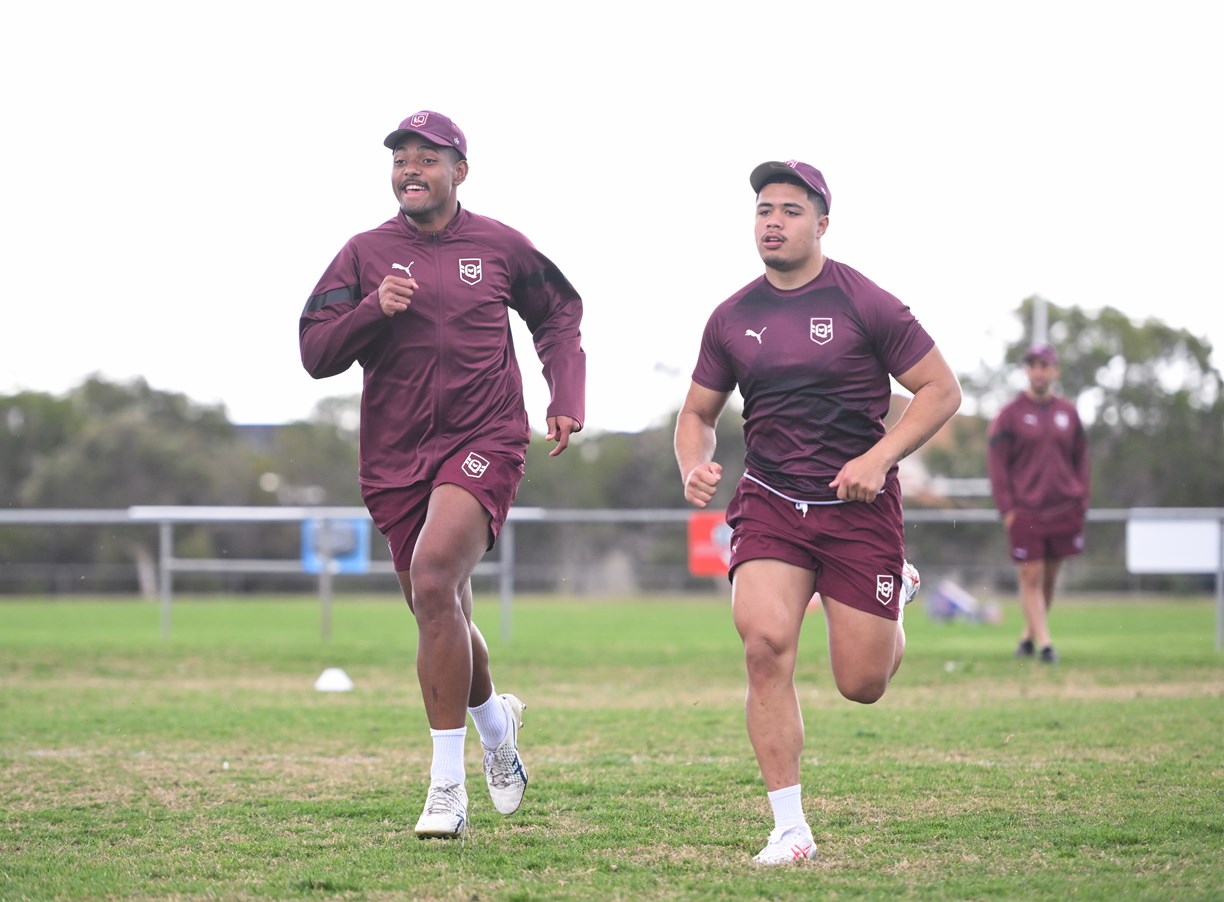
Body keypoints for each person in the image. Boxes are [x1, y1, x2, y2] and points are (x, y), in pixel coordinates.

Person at [299, 111, 585, 839]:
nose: (410, 169)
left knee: (434, 580)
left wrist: (566, 396)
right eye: (400, 159)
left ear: (461, 170)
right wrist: (373, 309)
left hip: (484, 439)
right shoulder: (364, 255)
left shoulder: (498, 245)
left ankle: (445, 790)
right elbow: (316, 351)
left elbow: (557, 314)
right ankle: (497, 725)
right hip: (394, 459)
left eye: (427, 157)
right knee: (439, 604)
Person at [674, 159, 961, 866]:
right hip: (769, 502)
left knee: (861, 684)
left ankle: (900, 589)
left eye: (790, 210)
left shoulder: (868, 303)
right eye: (763, 209)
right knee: (764, 646)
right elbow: (696, 414)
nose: (772, 221)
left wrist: (880, 458)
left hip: (857, 508)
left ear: (821, 224)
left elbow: (940, 390)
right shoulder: (732, 316)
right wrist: (693, 462)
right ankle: (789, 827)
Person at [987, 343, 1089, 665]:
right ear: (1026, 371)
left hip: (1063, 509)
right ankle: (1046, 644)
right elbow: (997, 465)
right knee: (1030, 578)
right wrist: (1007, 509)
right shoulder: (1010, 415)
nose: (1038, 371)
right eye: (1033, 365)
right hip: (1025, 512)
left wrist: (1081, 500)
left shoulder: (1068, 413)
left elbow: (1082, 459)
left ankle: (1027, 637)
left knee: (1049, 578)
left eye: (1044, 365)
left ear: (1054, 370)